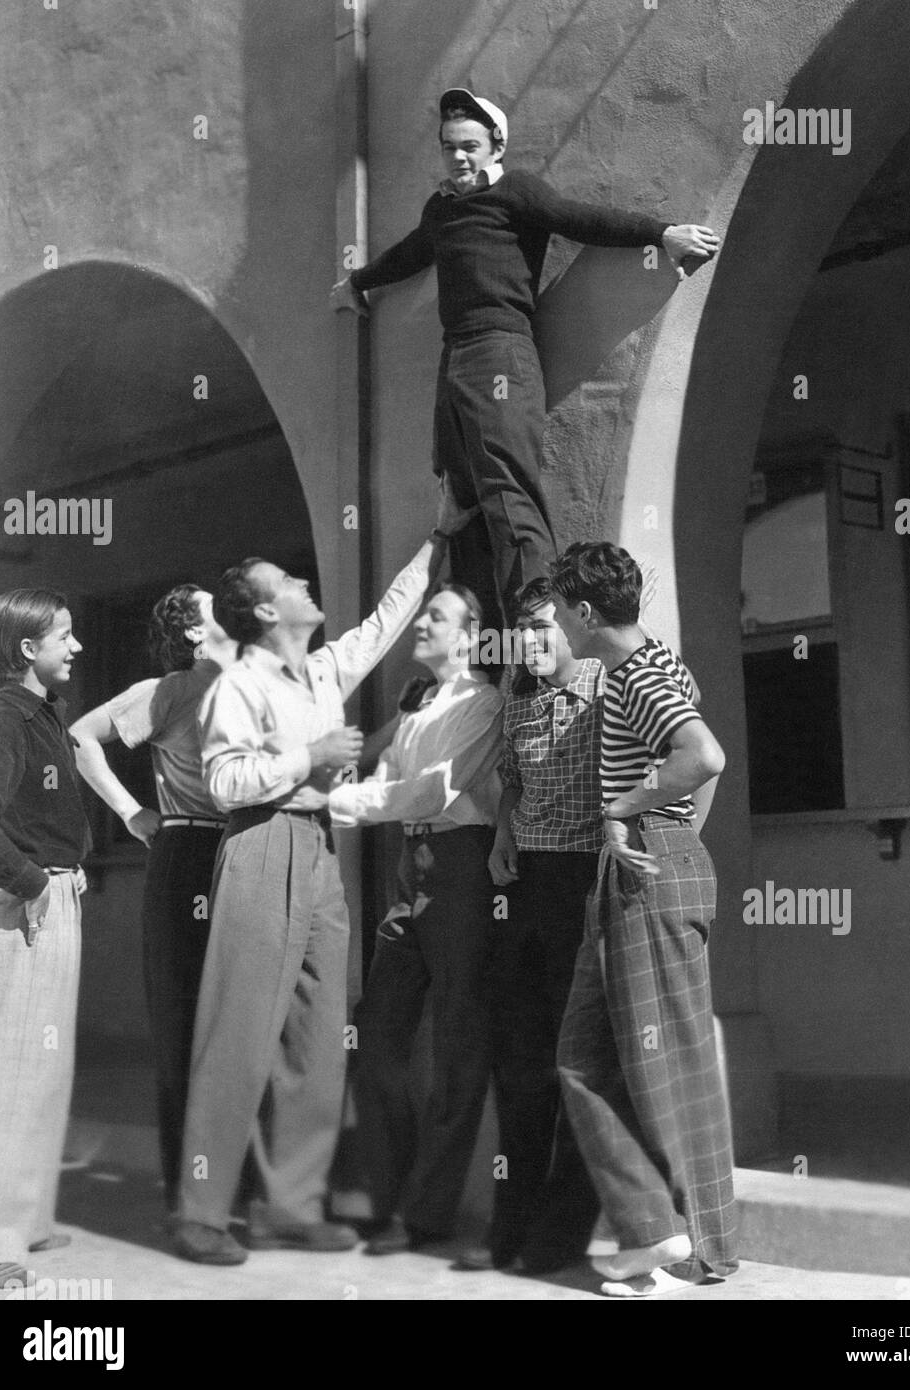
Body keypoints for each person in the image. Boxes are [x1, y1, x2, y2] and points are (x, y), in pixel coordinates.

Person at [173, 486, 471, 1266]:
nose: (307, 586)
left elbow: (384, 621)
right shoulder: (237, 685)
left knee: (316, 1039)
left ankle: (290, 1207)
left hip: (317, 853)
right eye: (291, 584)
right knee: (240, 1031)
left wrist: (437, 538)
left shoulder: (318, 673)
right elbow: (226, 784)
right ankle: (202, 1210)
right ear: (267, 613)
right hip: (261, 844)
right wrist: (310, 758)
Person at [331, 87, 720, 628]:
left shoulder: (515, 192)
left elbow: (579, 219)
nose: (458, 156)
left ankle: (537, 614)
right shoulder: (442, 208)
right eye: (449, 147)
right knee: (457, 489)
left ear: (495, 147)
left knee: (506, 484)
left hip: (501, 350)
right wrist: (357, 282)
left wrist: (662, 234)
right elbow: (415, 251)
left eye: (469, 145)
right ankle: (482, 638)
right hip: (455, 356)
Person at [549, 542, 738, 1298]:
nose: (558, 627)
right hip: (652, 861)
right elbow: (692, 771)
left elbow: (705, 754)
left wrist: (628, 812)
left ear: (587, 613)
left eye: (562, 612)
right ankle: (657, 1227)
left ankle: (700, 1246)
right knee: (586, 1056)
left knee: (669, 1066)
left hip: (646, 867)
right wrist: (678, 830)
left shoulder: (635, 676)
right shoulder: (659, 662)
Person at [327, 583, 502, 1255]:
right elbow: (391, 780)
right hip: (413, 866)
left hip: (463, 866)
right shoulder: (417, 706)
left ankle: (425, 1215)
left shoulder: (483, 704)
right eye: (422, 613)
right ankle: (387, 1194)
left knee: (459, 1044)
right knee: (376, 1033)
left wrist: (338, 805)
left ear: (470, 634)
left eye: (437, 616)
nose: (421, 624)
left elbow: (434, 789)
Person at [71, 585, 237, 1218]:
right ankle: (187, 1195)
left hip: (246, 856)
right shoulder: (167, 690)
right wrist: (132, 812)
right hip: (187, 856)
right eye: (214, 605)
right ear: (194, 633)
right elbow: (81, 738)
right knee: (182, 1027)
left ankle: (233, 1189)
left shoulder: (253, 684)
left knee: (237, 1026)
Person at [456, 576, 604, 1274]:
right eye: (523, 631)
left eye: (545, 628)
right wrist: (502, 833)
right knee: (520, 1061)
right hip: (524, 889)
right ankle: (510, 1224)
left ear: (576, 626)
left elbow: (684, 763)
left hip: (585, 885)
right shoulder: (518, 700)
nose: (531, 642)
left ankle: (562, 1232)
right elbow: (512, 776)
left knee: (578, 1061)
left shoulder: (609, 690)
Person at [0, 591, 89, 1290]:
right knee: (10, 1076)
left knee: (44, 1072)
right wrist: (30, 883)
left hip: (53, 895)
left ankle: (29, 1219)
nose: (76, 647)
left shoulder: (43, 718)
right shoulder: (5, 726)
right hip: (28, 903)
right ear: (28, 649)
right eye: (65, 636)